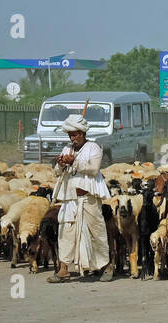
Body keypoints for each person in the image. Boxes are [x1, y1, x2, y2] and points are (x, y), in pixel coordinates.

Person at [47, 113, 110, 283]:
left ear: (82, 133)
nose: (71, 137)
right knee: (65, 232)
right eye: (69, 134)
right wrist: (61, 164)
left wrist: (74, 162)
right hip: (70, 199)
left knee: (96, 232)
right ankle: (63, 269)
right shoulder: (66, 149)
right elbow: (58, 172)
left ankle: (105, 266)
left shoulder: (93, 148)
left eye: (74, 134)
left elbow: (94, 169)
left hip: (89, 198)